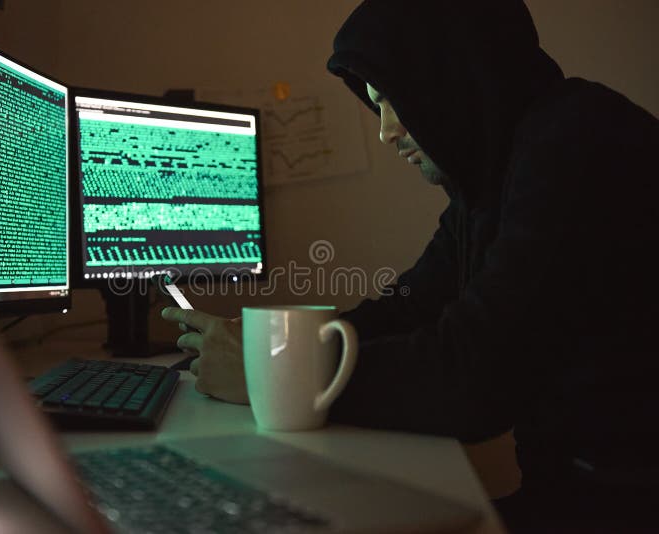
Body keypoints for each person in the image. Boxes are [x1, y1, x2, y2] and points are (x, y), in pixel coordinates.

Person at [161, 0, 659, 531]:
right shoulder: (492, 181)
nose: (386, 132)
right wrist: (274, 347)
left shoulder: (579, 141)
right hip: (571, 491)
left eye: (390, 100)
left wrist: (277, 376)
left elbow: (474, 381)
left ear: (451, 76)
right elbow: (410, 306)